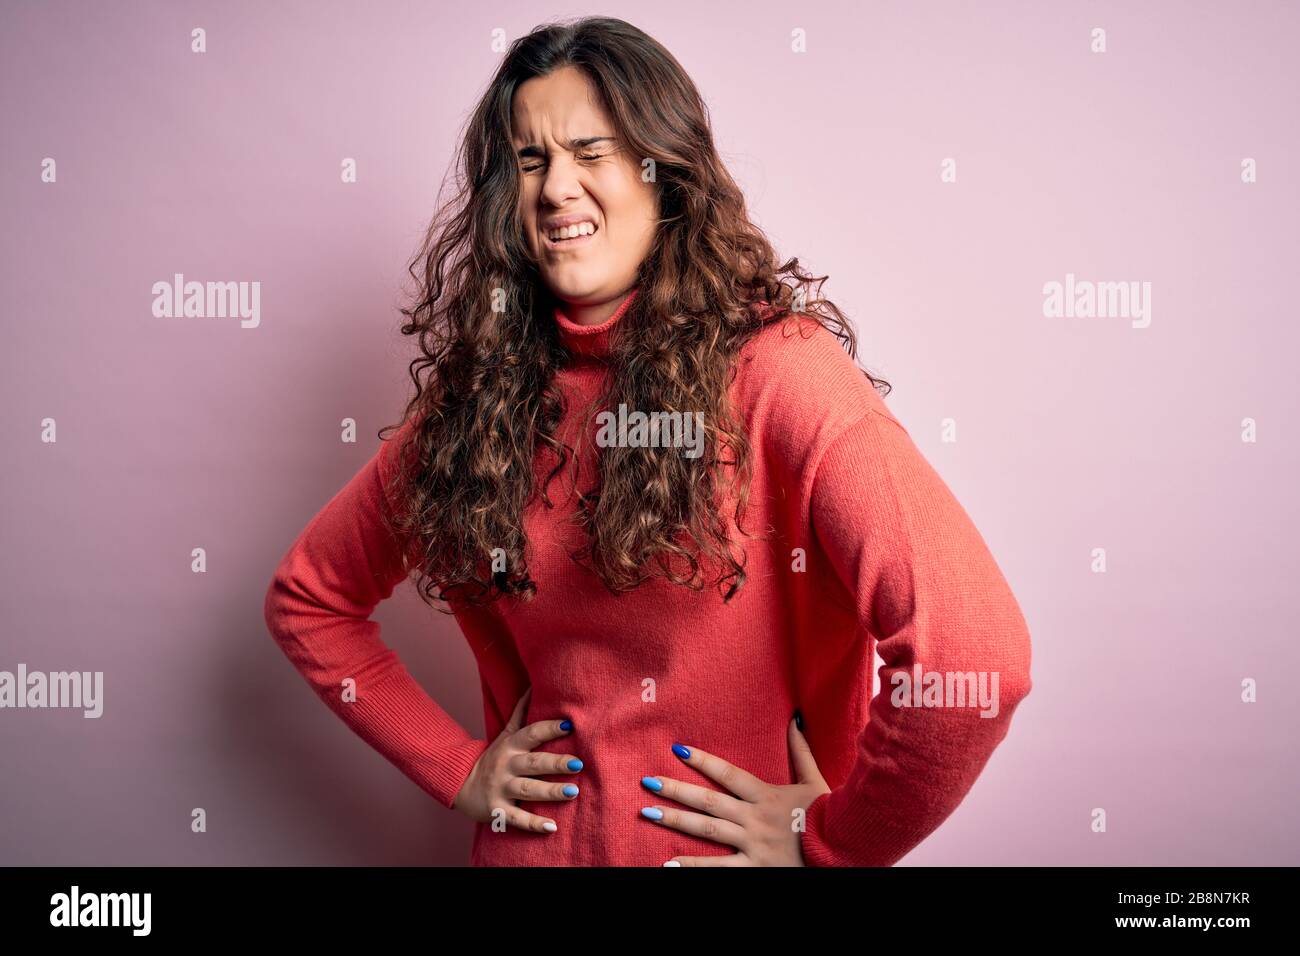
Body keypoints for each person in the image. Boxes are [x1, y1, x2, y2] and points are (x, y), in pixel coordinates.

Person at [263, 16, 1033, 867]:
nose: (557, 188)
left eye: (592, 152)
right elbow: (310, 601)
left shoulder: (779, 374)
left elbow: (974, 663)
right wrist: (459, 768)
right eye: (529, 160)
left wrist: (834, 843)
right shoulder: (478, 399)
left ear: (664, 174)